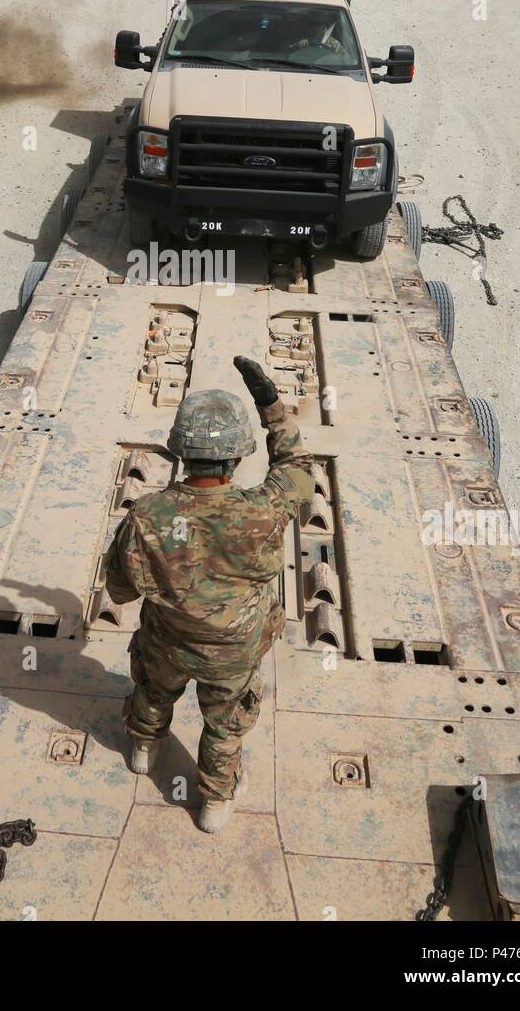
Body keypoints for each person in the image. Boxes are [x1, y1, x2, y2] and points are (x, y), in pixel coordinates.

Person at [104, 355, 314, 833]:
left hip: (167, 642)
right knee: (224, 724)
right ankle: (214, 804)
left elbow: (118, 591)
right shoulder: (264, 511)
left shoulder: (146, 516)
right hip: (233, 654)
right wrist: (271, 406)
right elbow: (298, 469)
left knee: (154, 691)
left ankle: (143, 749)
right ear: (238, 458)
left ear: (179, 451)